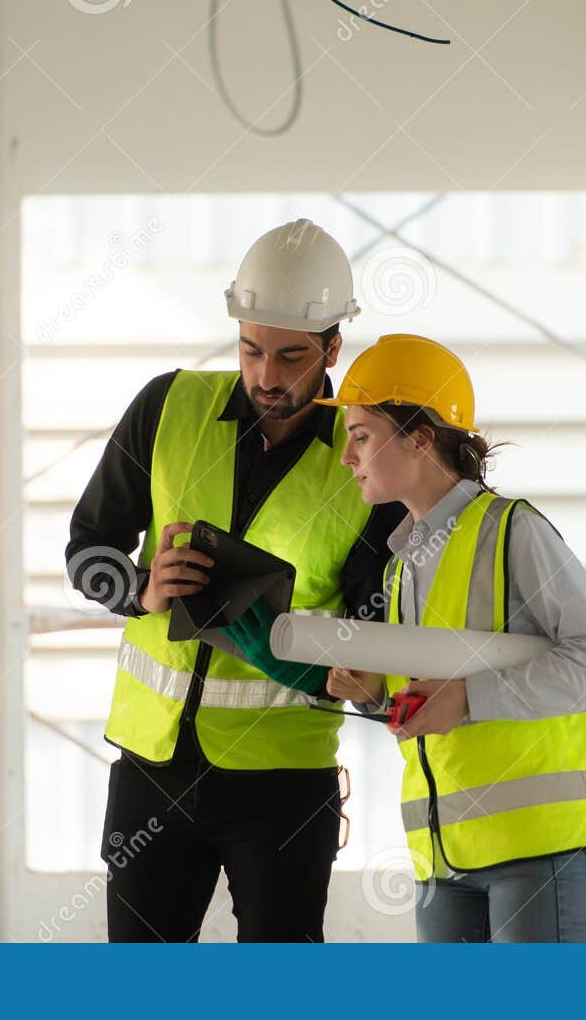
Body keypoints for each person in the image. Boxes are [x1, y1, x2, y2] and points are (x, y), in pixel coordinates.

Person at [65, 218, 405, 943]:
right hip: (151, 768)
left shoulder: (367, 457)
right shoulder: (167, 406)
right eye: (251, 350)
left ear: (333, 347)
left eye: (291, 356)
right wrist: (139, 588)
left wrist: (358, 673)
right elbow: (86, 550)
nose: (267, 376)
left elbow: (375, 619)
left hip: (282, 782)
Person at [318, 333, 586, 942]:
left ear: (419, 437)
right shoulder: (400, 564)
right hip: (443, 857)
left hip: (537, 850)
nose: (346, 457)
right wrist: (376, 693)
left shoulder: (513, 531)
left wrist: (466, 698)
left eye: (360, 436)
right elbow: (438, 697)